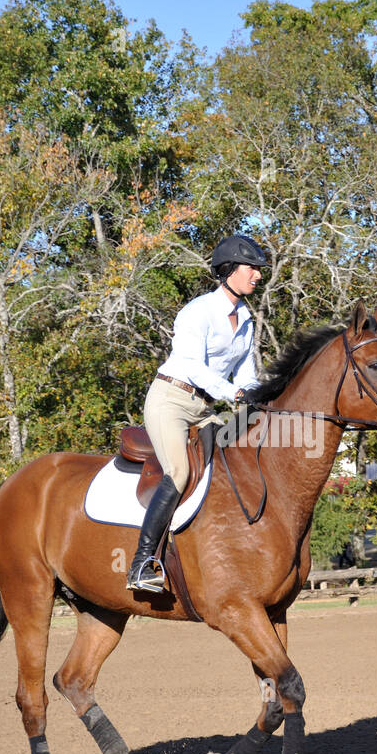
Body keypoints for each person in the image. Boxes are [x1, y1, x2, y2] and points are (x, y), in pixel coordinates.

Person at [126, 234, 266, 591]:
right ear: (231, 269)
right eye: (252, 268)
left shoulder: (247, 319)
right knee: (180, 471)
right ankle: (142, 564)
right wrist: (232, 392)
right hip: (171, 399)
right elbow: (190, 366)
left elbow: (246, 373)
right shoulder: (198, 311)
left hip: (203, 407)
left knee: (230, 465)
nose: (258, 276)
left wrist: (255, 395)